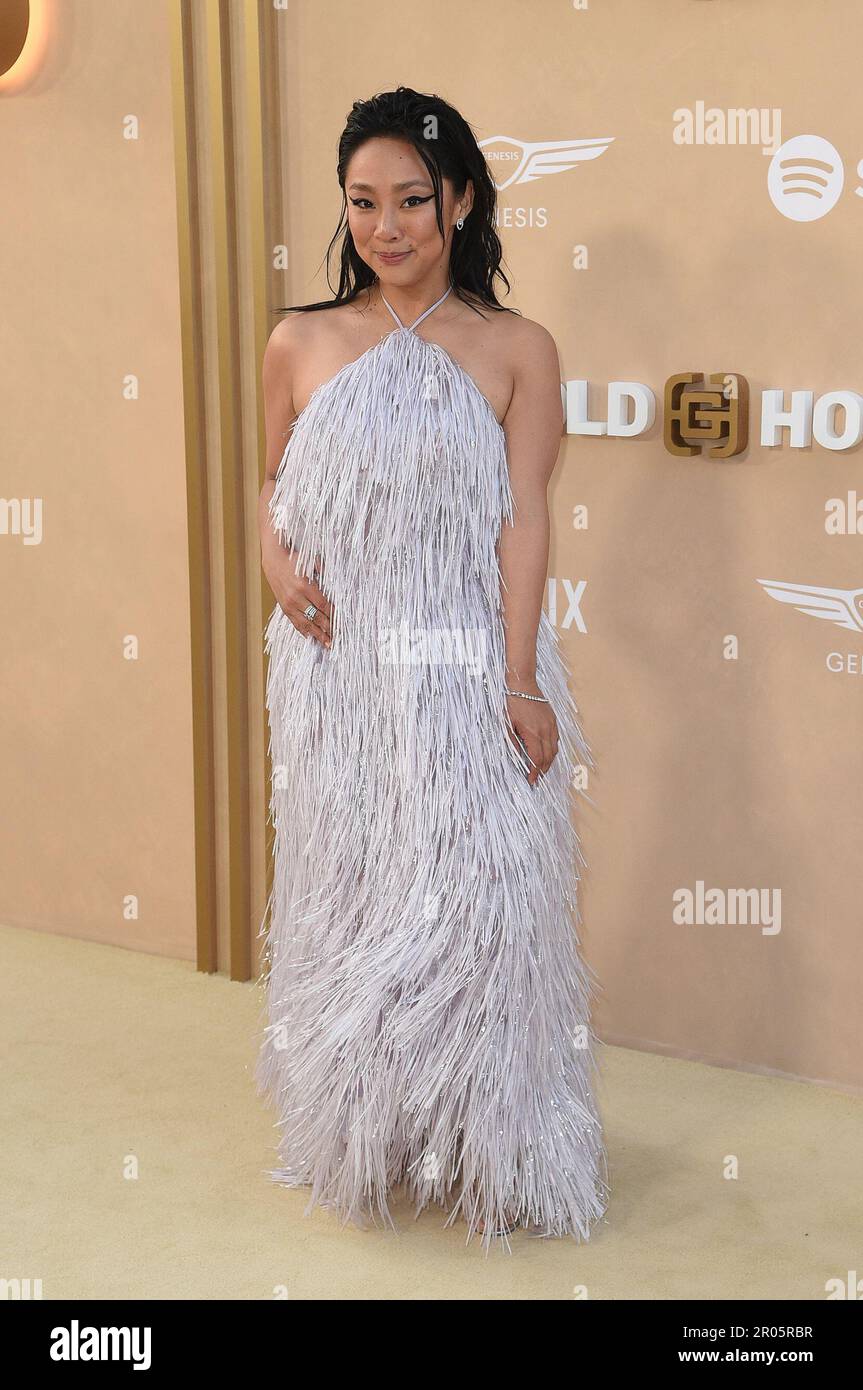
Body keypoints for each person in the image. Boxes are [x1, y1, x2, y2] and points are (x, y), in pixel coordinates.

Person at [254, 85, 608, 1252]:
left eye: (411, 198)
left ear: (458, 200)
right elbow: (271, 482)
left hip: (467, 661)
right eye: (363, 202)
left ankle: (508, 1146)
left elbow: (522, 518)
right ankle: (376, 1128)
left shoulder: (515, 348)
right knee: (352, 902)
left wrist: (516, 677)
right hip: (338, 676)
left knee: (491, 904)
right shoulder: (299, 340)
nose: (386, 226)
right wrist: (270, 556)